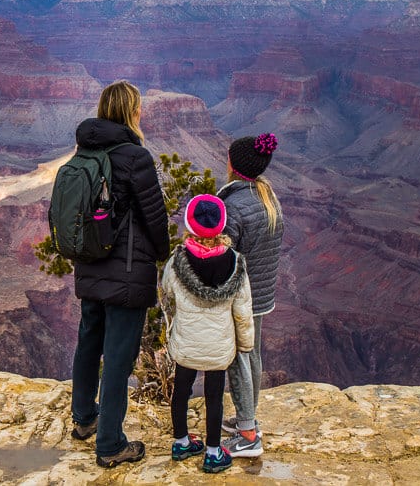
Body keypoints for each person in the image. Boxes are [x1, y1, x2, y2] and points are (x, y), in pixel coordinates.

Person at [69, 80, 170, 468]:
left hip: (90, 262)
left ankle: (83, 419)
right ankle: (110, 444)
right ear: (132, 112)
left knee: (88, 341)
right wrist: (160, 255)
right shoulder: (135, 156)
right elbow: (154, 215)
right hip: (126, 271)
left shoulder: (86, 150)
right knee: (118, 358)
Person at [162, 194, 254, 474]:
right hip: (219, 346)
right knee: (215, 397)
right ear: (221, 228)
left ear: (190, 226)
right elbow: (243, 310)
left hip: (187, 343)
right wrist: (245, 344)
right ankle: (214, 453)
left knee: (181, 391)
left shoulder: (177, 262)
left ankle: (181, 442)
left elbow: (167, 293)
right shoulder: (235, 264)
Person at [218, 133, 283, 458]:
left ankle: (247, 436)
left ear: (234, 165)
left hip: (240, 297)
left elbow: (222, 257)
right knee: (252, 354)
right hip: (261, 294)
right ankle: (249, 418)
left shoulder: (233, 206)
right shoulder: (267, 197)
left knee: (238, 358)